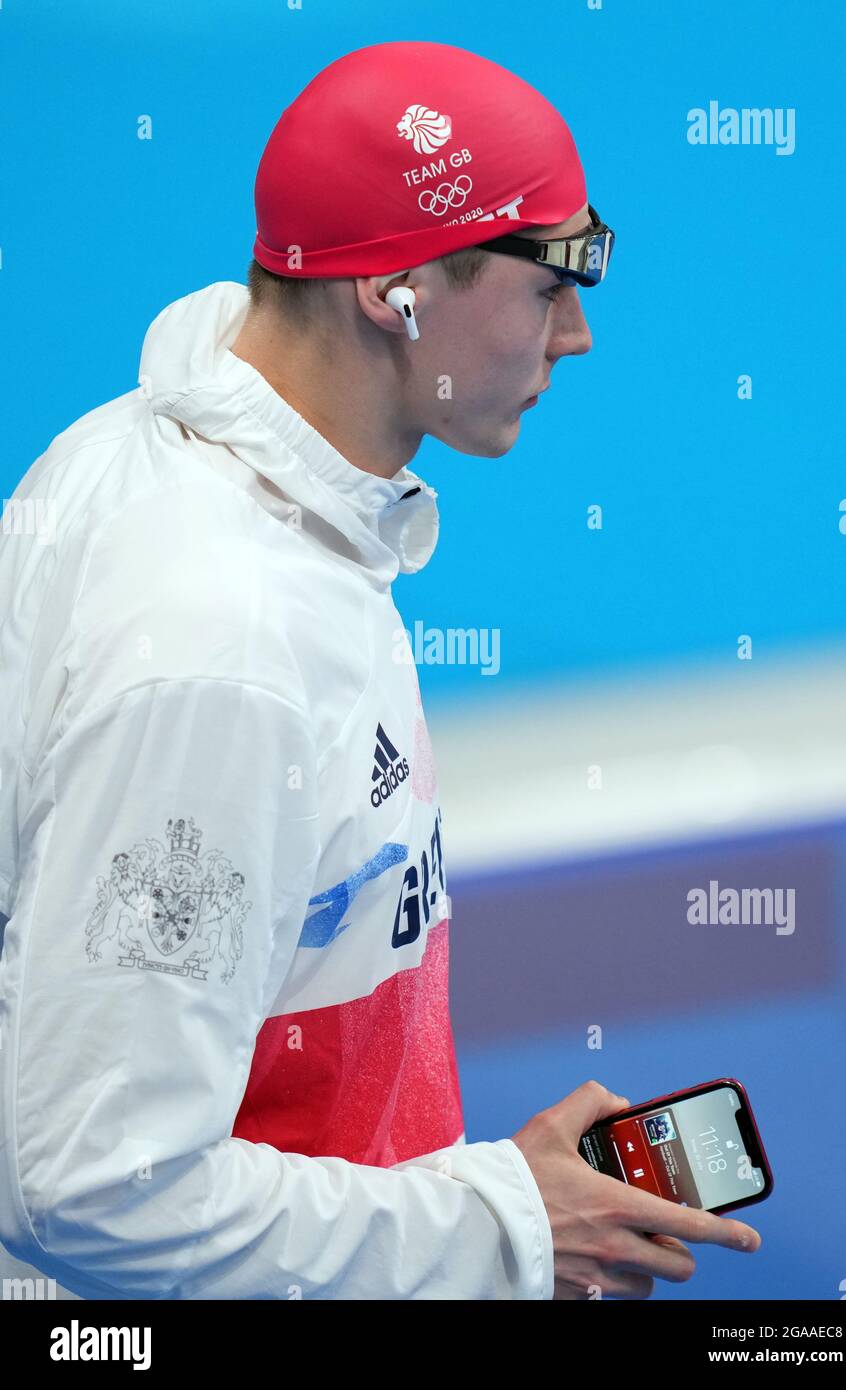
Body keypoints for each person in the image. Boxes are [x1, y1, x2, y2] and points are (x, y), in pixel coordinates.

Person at [0, 39, 760, 1300]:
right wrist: (501, 1231)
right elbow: (95, 1185)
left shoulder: (160, 456)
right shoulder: (221, 647)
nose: (576, 334)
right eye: (552, 277)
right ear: (397, 290)